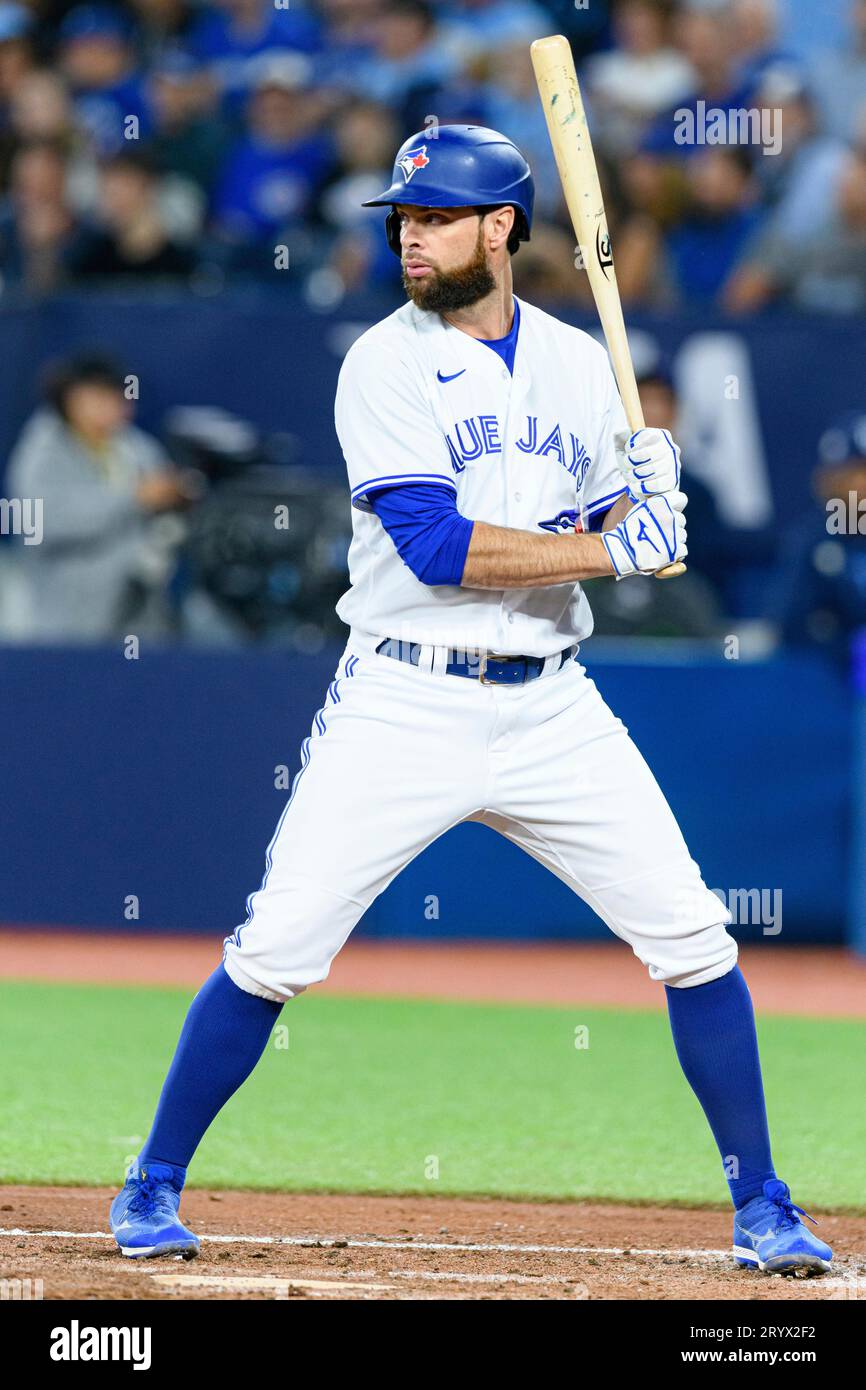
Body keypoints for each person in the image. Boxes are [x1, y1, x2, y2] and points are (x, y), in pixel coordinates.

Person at [109, 125, 833, 1279]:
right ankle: (150, 1182)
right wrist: (607, 551)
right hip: (404, 695)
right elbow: (440, 550)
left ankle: (759, 1205)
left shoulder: (575, 359)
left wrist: (646, 509)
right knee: (277, 949)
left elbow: (615, 528)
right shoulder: (379, 364)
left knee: (695, 940)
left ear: (500, 227)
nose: (410, 236)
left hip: (552, 702)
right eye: (403, 219)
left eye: (437, 217)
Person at [6, 352, 193, 640]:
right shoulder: (37, 455)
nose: (113, 407)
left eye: (118, 397)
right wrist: (133, 498)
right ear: (69, 399)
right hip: (69, 623)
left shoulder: (138, 448)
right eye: (98, 397)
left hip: (139, 618)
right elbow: (38, 526)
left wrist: (176, 497)